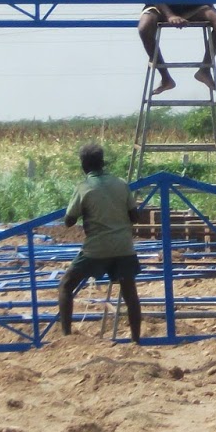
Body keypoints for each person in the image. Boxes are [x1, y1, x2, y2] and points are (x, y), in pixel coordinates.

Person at [57, 143, 143, 343]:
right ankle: (136, 341)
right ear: (103, 163)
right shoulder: (121, 183)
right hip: (123, 247)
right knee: (130, 294)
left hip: (96, 249)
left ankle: (66, 337)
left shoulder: (84, 187)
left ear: (83, 166)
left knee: (66, 286)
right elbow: (135, 216)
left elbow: (69, 221)